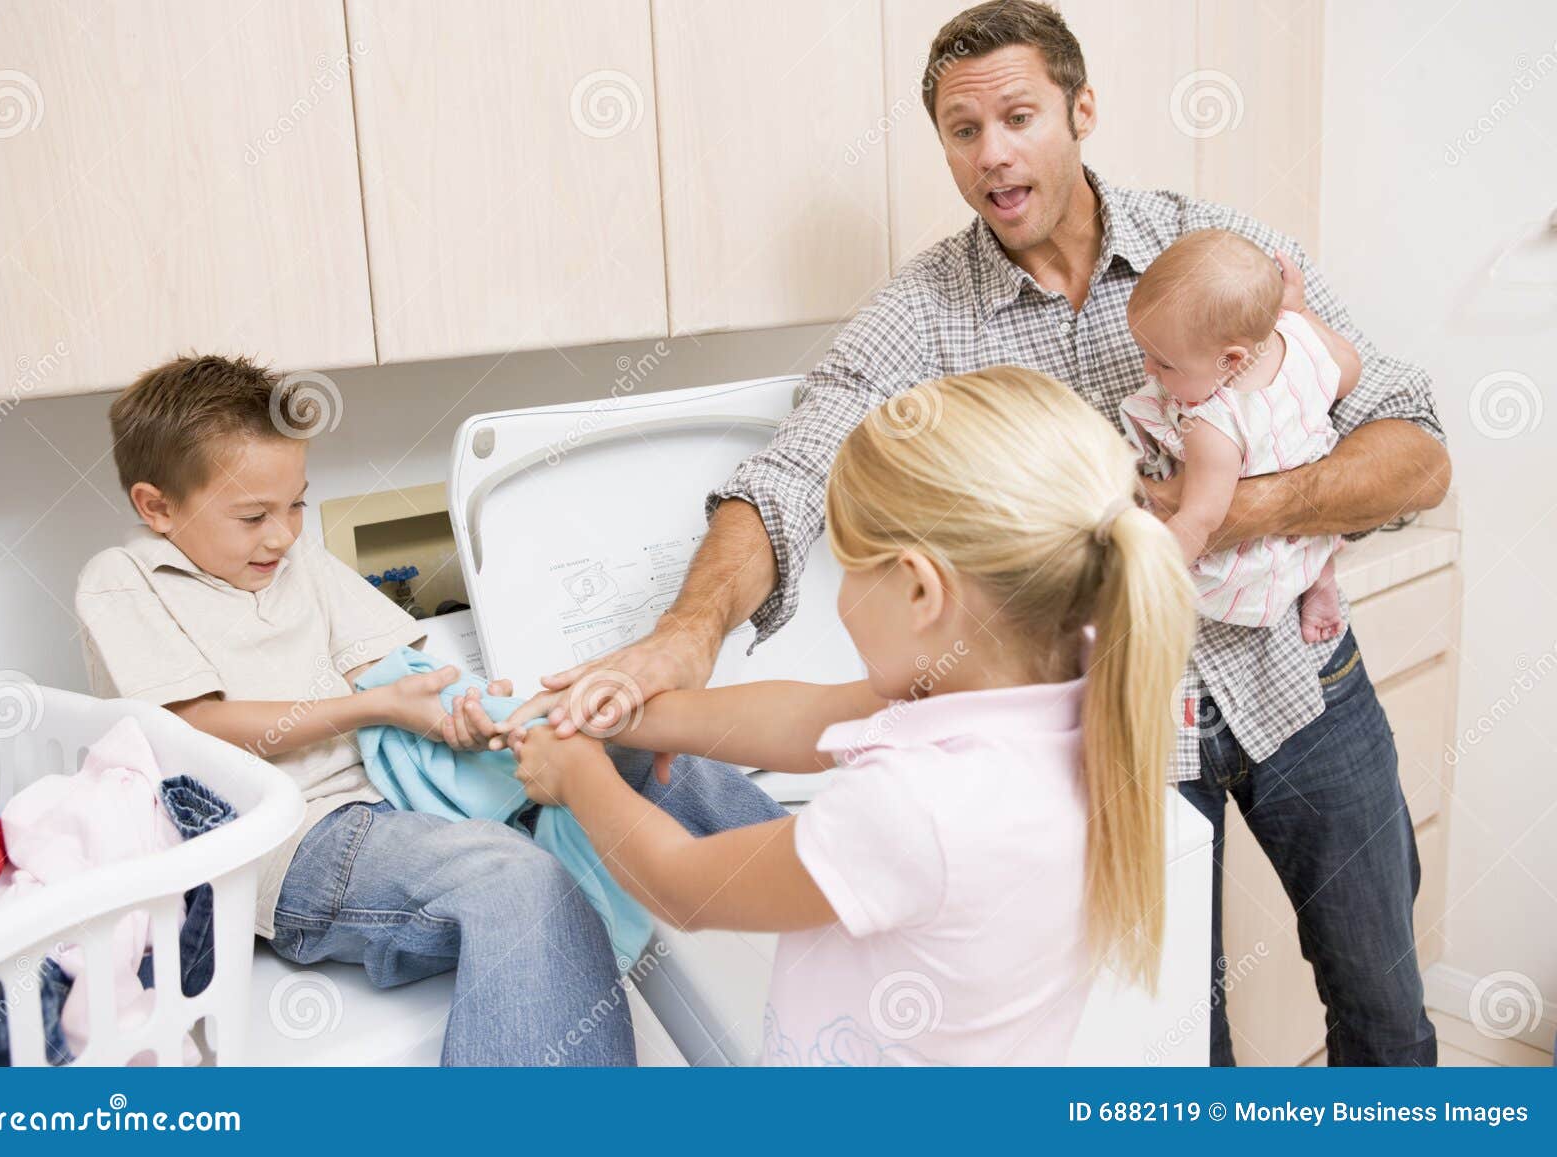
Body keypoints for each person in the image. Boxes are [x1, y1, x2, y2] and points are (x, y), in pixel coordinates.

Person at [482, 0, 1448, 1066]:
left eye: (1018, 117)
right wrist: (685, 635)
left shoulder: (1218, 253)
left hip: (1296, 673)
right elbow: (792, 474)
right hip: (1127, 722)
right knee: (1181, 1034)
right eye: (960, 130)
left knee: (1382, 1004)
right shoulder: (920, 316)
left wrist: (1222, 515)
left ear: (1082, 110)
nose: (992, 155)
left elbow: (1414, 446)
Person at [74, 355, 783, 1065]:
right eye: (254, 515)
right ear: (157, 506)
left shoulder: (296, 562)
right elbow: (191, 729)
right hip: (292, 846)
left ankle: (832, 884)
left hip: (401, 802)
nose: (284, 534)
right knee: (519, 878)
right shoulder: (124, 581)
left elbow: (400, 677)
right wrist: (371, 707)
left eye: (296, 504)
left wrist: (467, 718)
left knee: (626, 740)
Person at [506, 369, 1195, 1065]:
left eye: (847, 571)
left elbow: (686, 885)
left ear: (921, 589)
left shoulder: (914, 806)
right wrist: (636, 717)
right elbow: (809, 716)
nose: (839, 604)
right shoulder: (1068, 678)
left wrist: (575, 773)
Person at [1119, 228, 1361, 643]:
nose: (1148, 370)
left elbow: (1203, 517)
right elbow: (1348, 371)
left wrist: (1148, 579)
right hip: (1313, 524)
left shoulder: (1213, 424)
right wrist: (1300, 310)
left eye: (1163, 364)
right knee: (1311, 541)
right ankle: (1320, 580)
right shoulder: (1299, 336)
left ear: (1230, 359)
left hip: (1256, 555)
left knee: (1170, 536)